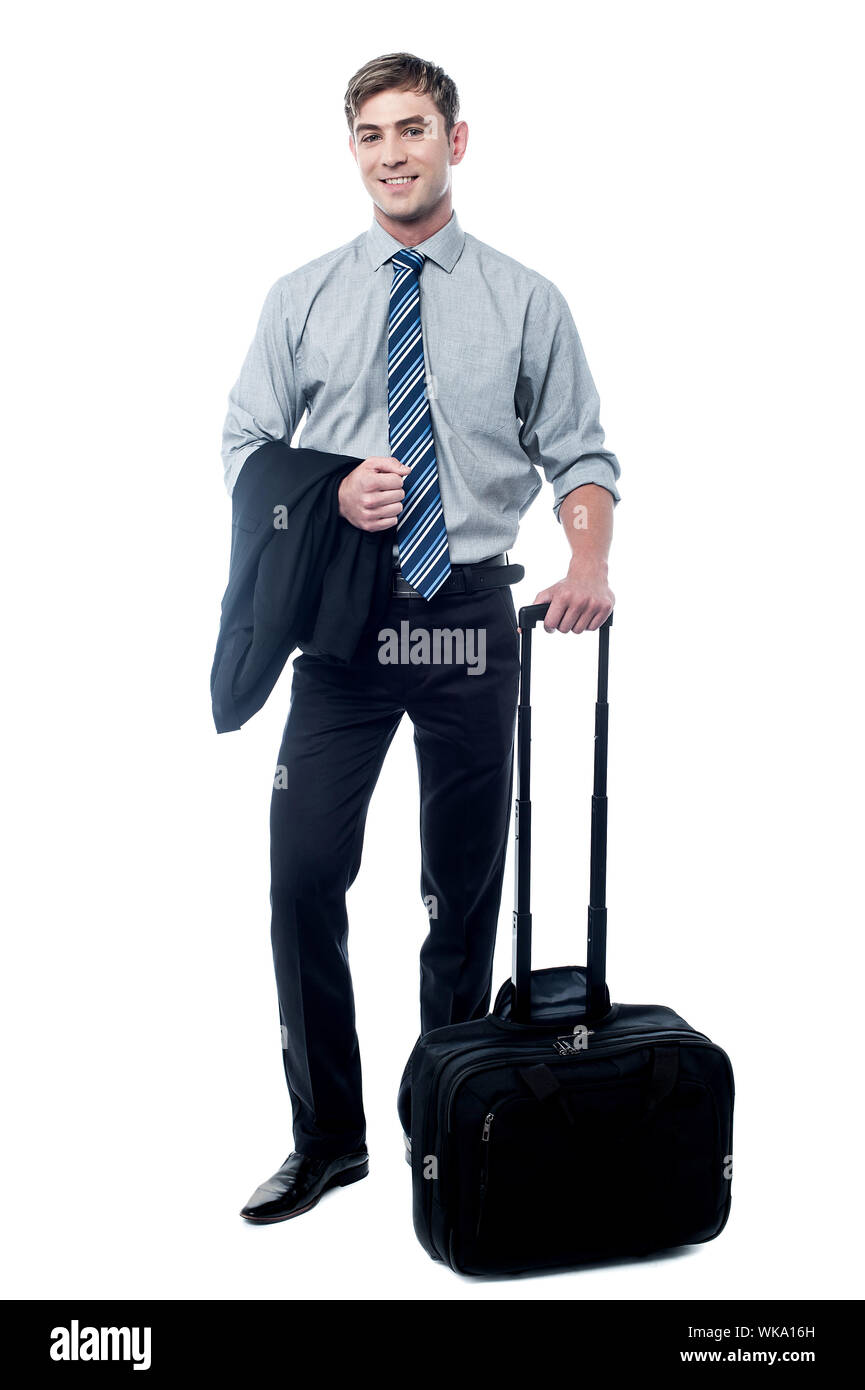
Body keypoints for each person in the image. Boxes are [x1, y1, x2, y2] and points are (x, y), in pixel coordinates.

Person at [222, 51, 620, 1223]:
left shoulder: (524, 298)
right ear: (352, 150)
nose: (391, 153)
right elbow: (246, 445)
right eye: (368, 135)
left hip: (465, 623)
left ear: (457, 139)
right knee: (302, 877)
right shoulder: (300, 295)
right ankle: (328, 1137)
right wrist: (331, 488)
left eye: (411, 129)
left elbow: (581, 453)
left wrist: (587, 558)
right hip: (344, 627)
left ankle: (443, 1128)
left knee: (460, 894)